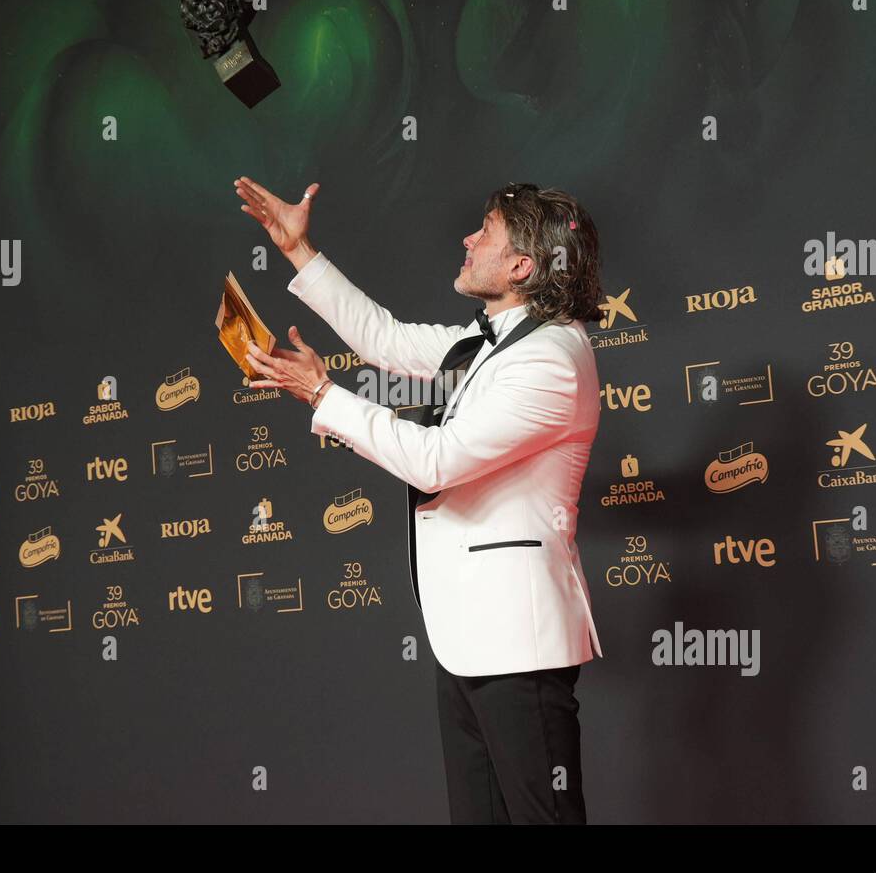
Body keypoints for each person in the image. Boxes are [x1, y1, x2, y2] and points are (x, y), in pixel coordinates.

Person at [233, 176, 604, 823]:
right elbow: (384, 340)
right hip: (465, 642)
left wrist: (326, 396)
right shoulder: (485, 347)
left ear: (521, 265)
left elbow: (438, 460)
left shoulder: (550, 359)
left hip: (520, 646)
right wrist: (298, 250)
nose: (467, 238)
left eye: (483, 230)